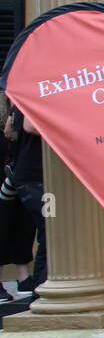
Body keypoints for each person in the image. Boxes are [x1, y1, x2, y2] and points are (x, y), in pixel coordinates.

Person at [0, 106, 35, 301]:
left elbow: (12, 133)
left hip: (19, 173)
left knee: (24, 224)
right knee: (2, 226)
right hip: (9, 173)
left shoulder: (17, 104)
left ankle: (24, 276)